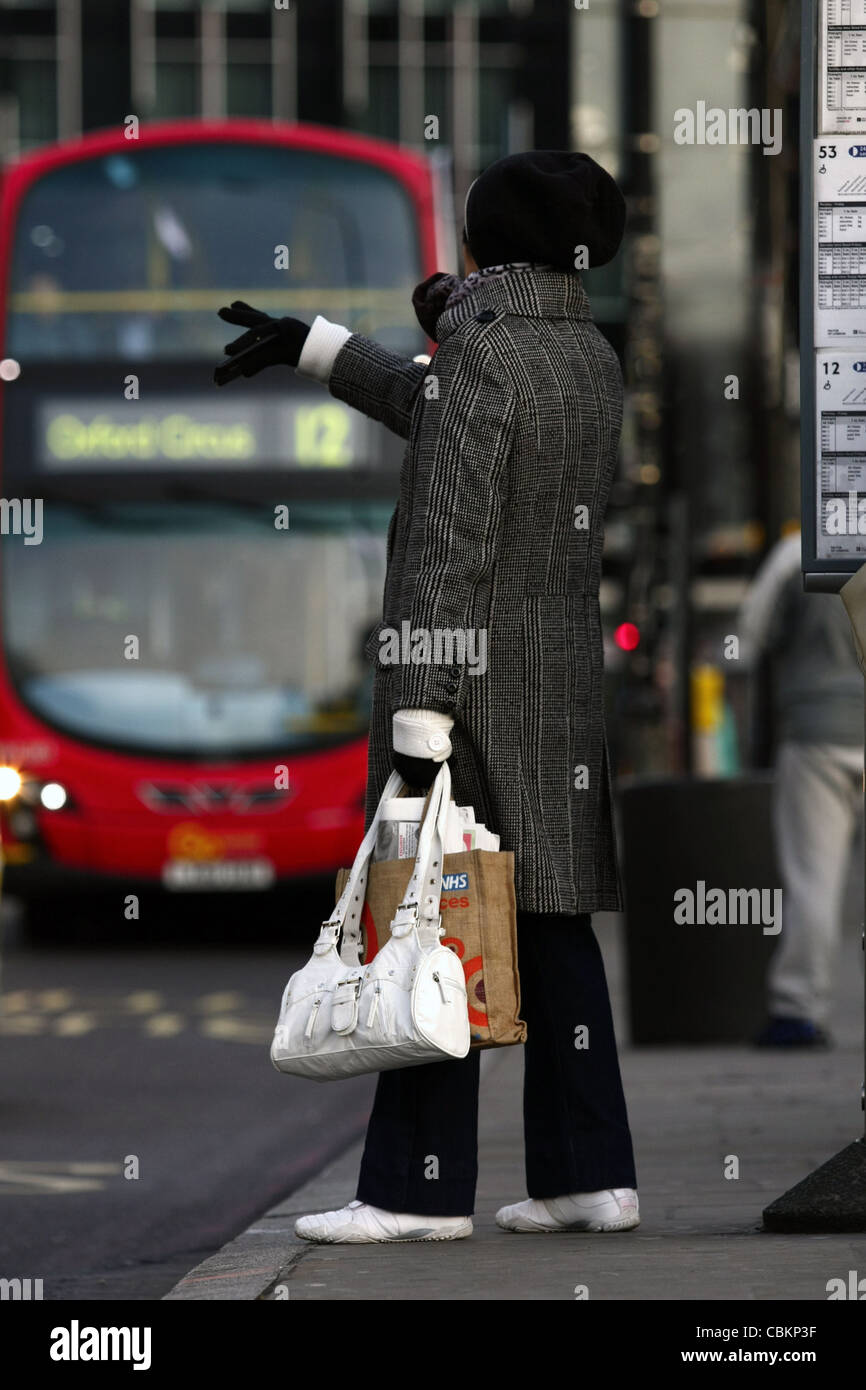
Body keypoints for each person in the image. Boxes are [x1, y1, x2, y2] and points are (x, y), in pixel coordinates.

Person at [216, 151, 638, 1240]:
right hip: (556, 686)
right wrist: (322, 350)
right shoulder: (582, 353)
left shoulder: (482, 355)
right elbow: (445, 414)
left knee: (427, 919)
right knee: (547, 925)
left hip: (463, 687)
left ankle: (414, 1189)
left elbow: (446, 540)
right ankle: (587, 1176)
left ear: (483, 238)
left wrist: (420, 716)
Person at [738, 528, 864, 1047]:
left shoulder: (796, 553)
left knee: (815, 878)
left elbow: (748, 636)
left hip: (815, 733)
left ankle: (799, 1008)